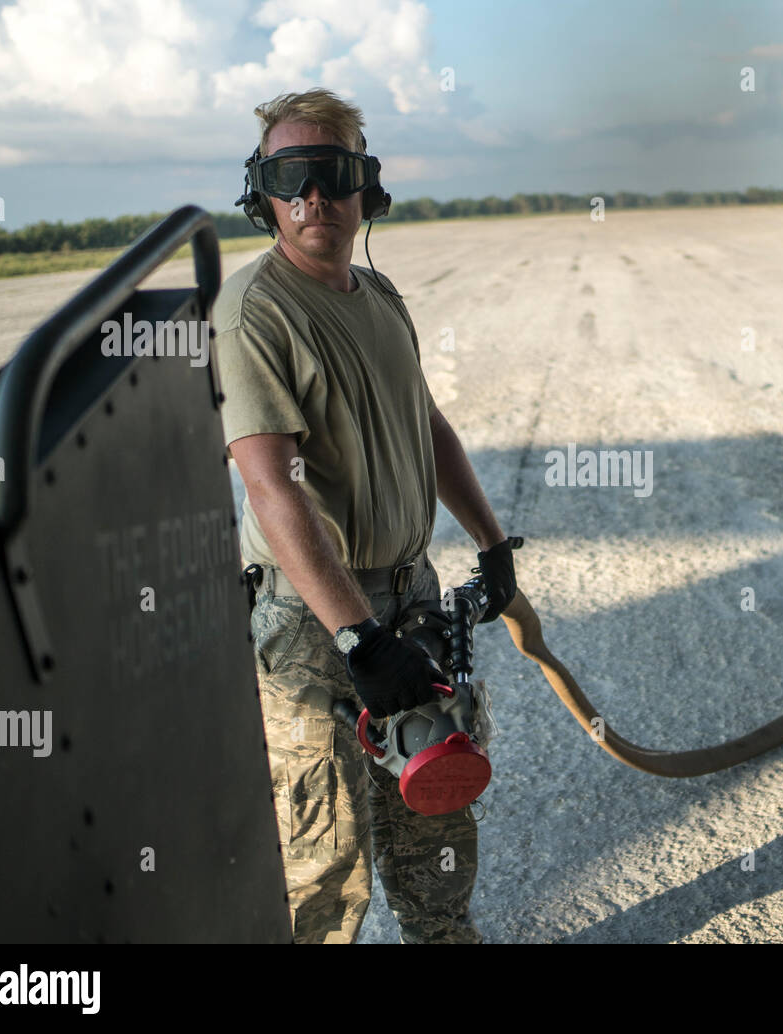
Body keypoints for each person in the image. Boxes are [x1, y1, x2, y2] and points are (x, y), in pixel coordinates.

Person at [212, 88, 516, 944]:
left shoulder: (381, 298)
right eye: (288, 177)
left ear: (365, 189)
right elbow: (274, 489)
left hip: (409, 599)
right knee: (324, 856)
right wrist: (356, 637)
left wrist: (491, 545)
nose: (312, 197)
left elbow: (430, 427)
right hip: (313, 618)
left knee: (436, 817)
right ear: (261, 194)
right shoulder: (253, 312)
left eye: (331, 173)